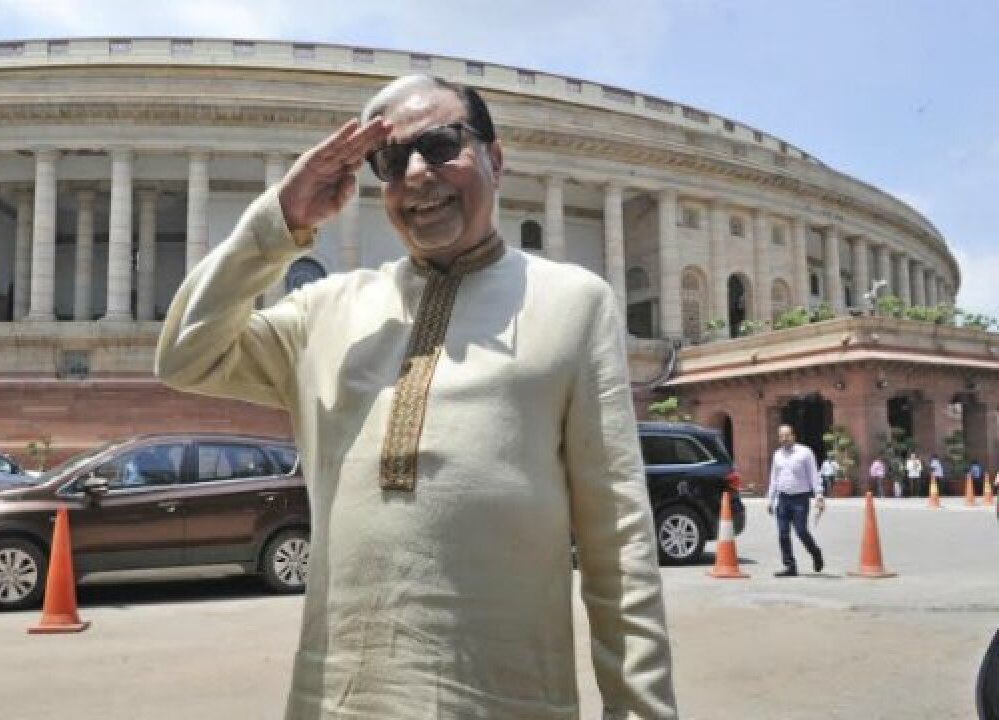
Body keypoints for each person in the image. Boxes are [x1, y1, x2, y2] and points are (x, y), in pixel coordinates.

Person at [155, 75, 676, 718]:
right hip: (339, 702)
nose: (419, 173)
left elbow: (618, 540)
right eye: (393, 160)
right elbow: (184, 353)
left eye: (440, 144)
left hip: (510, 702)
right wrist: (280, 219)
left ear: (496, 157)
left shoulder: (572, 303)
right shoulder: (326, 313)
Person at [767, 424, 825, 577]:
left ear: (793, 436)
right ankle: (790, 566)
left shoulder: (805, 453)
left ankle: (815, 552)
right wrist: (770, 499)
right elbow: (774, 477)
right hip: (783, 499)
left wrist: (819, 495)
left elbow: (814, 475)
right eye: (781, 436)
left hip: (800, 499)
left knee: (801, 531)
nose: (784, 439)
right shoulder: (777, 454)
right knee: (783, 534)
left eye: (787, 435)